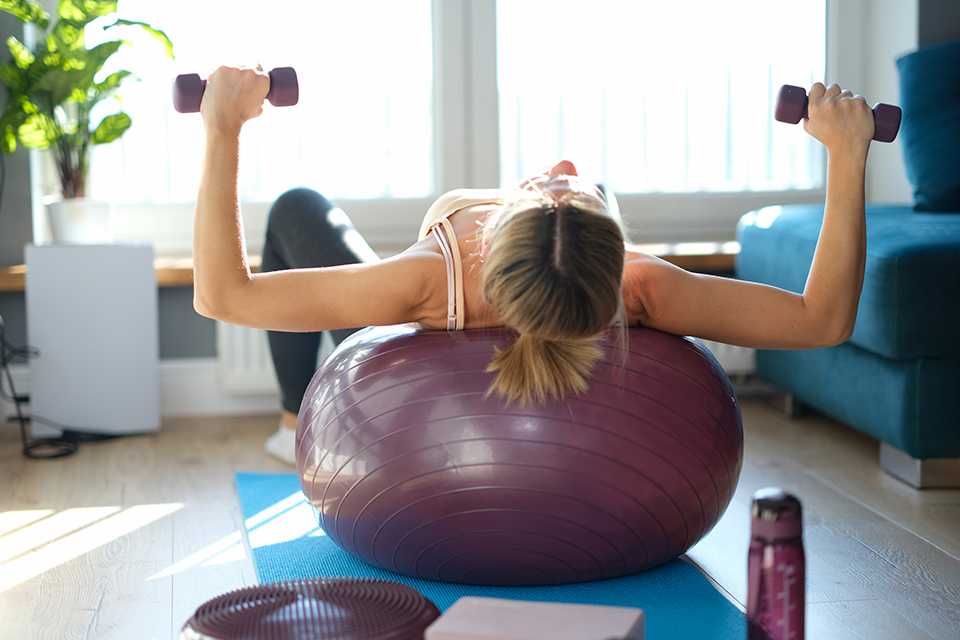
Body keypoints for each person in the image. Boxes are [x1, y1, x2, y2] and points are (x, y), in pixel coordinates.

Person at [193, 66, 875, 464]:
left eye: (551, 185)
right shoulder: (639, 286)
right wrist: (847, 155)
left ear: (489, 241)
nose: (562, 167)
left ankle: (292, 427)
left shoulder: (433, 275)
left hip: (407, 413)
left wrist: (222, 127)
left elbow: (223, 295)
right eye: (569, 188)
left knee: (297, 207)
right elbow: (823, 320)